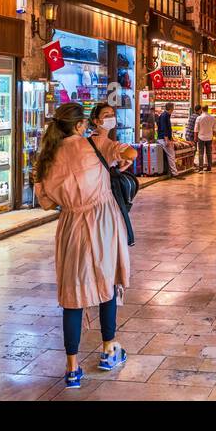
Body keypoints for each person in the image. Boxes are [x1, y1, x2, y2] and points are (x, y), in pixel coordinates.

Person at [32, 102, 133, 389]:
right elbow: (130, 152)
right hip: (102, 222)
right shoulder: (96, 143)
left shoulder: (47, 157)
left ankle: (72, 369)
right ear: (79, 126)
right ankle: (109, 350)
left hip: (71, 227)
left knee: (73, 296)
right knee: (107, 283)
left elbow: (46, 201)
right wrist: (123, 157)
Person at [193, 105, 216, 173]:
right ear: (207, 109)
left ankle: (201, 168)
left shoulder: (199, 118)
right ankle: (209, 167)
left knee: (201, 153)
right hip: (209, 137)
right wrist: (214, 136)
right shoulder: (212, 118)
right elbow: (214, 129)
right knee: (209, 153)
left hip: (201, 137)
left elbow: (196, 129)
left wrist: (195, 137)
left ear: (202, 109)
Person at [156, 102, 176, 175]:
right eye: (173, 107)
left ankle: (170, 172)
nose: (174, 109)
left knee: (169, 155)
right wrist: (167, 140)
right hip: (163, 139)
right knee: (171, 155)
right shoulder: (165, 116)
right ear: (171, 108)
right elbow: (164, 128)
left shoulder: (165, 115)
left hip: (163, 138)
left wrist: (171, 138)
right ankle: (174, 173)